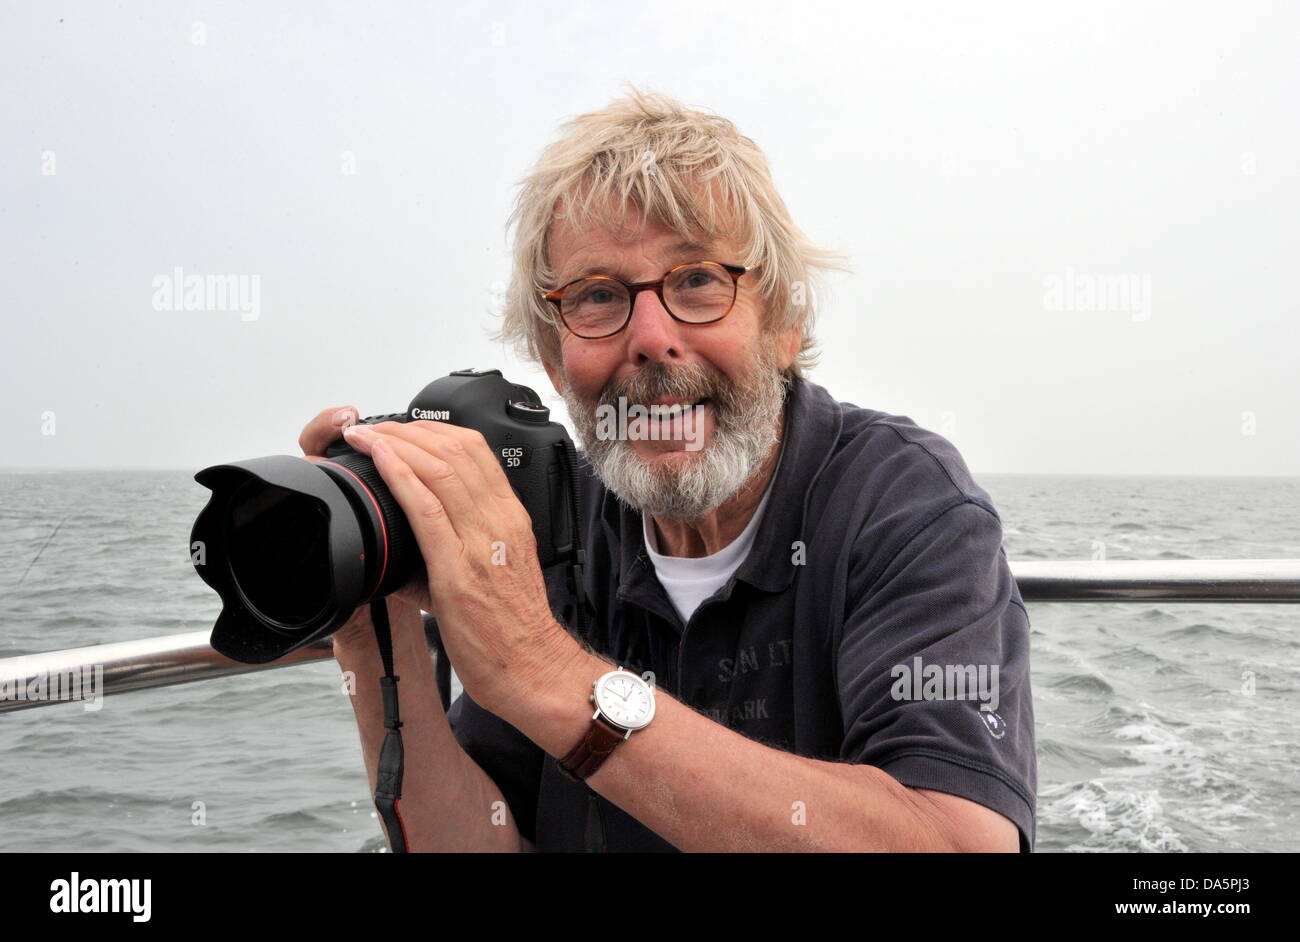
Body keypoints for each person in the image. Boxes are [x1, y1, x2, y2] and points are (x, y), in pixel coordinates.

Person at [300, 88, 1036, 852]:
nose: (650, 338)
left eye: (698, 281)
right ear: (555, 360)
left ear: (783, 323)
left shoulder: (901, 501)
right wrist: (367, 624)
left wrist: (547, 675)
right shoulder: (546, 521)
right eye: (596, 297)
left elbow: (958, 840)